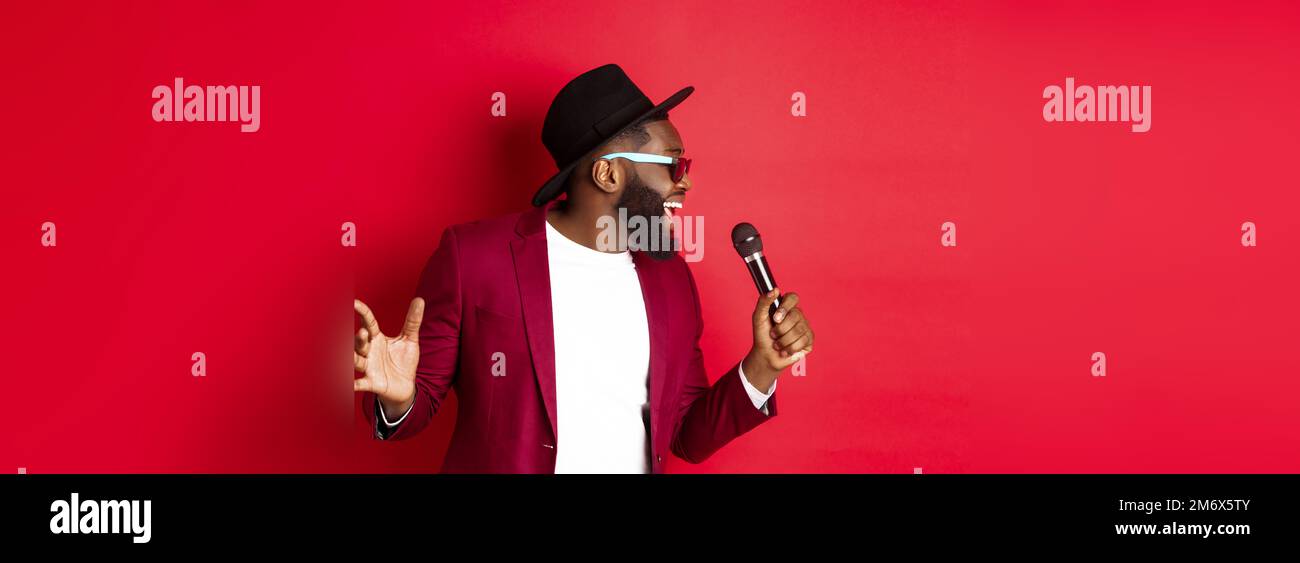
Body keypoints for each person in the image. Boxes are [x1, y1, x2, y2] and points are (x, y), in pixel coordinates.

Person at [352, 64, 814, 473]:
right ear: (608, 174)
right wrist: (397, 399)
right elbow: (418, 405)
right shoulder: (473, 257)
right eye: (674, 165)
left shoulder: (670, 277)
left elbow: (684, 436)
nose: (686, 181)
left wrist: (760, 368)